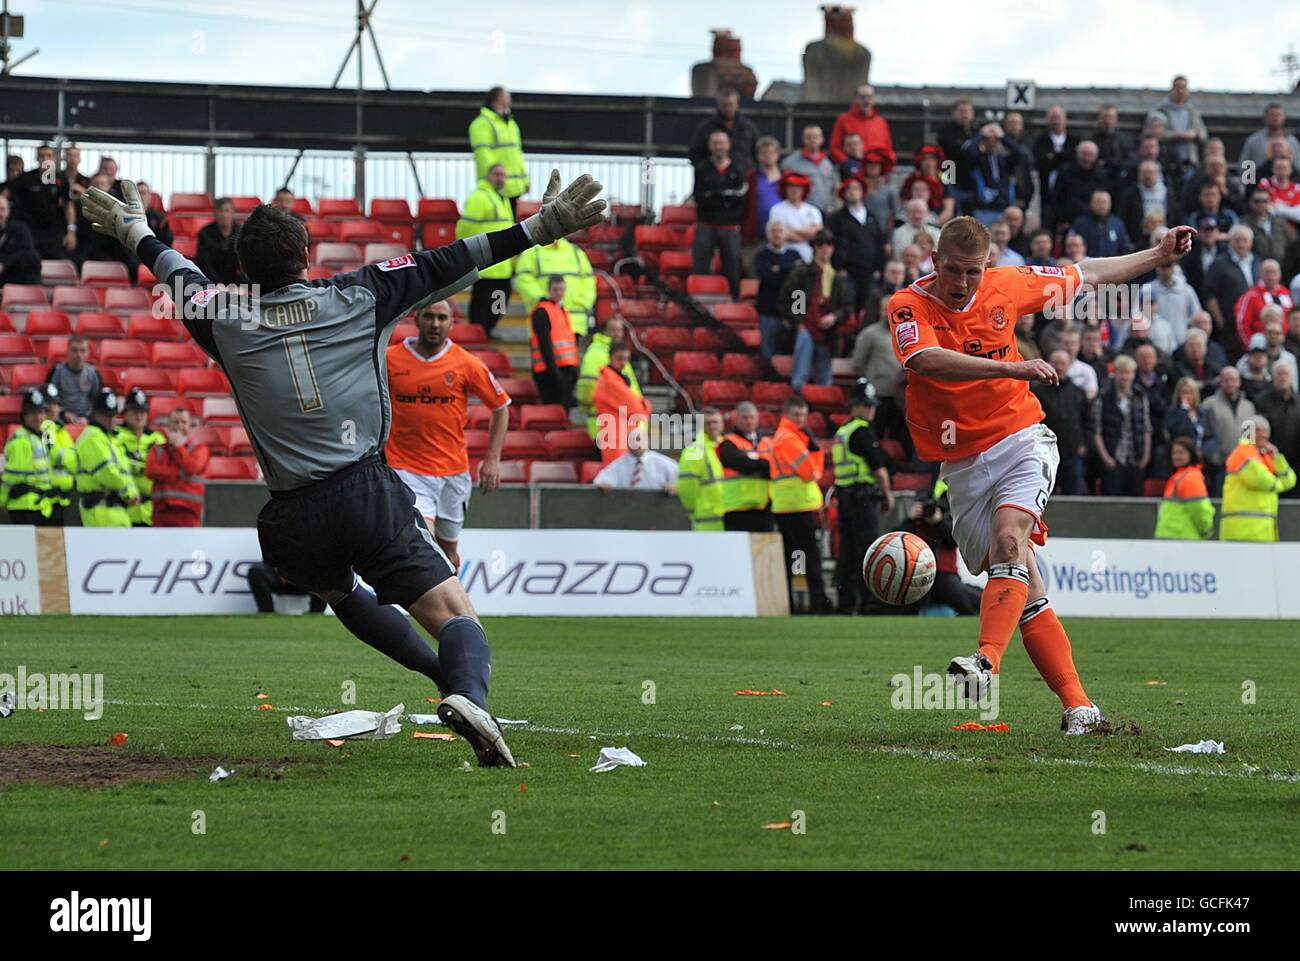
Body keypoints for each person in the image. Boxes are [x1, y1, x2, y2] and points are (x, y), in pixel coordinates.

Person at [82, 165, 605, 767]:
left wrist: (135, 234)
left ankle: (443, 680)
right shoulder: (363, 293)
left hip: (291, 516)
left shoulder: (220, 315)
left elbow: (180, 273)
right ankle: (467, 692)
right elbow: (455, 257)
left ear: (245, 268)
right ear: (307, 255)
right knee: (456, 613)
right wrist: (539, 228)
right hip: (365, 491)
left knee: (339, 590)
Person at [887, 212, 1197, 733]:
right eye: (955, 271)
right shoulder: (906, 306)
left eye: (975, 272)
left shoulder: (1008, 285)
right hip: (961, 464)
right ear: (935, 261)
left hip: (1020, 438)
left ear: (989, 265)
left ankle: (985, 661)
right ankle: (1080, 708)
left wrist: (1158, 256)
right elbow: (927, 362)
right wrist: (1013, 367)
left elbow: (1088, 273)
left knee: (1012, 539)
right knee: (1027, 586)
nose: (964, 284)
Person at [387, 299, 511, 571]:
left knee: (447, 550)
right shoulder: (390, 359)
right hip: (407, 468)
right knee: (422, 539)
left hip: (453, 472)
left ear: (451, 323)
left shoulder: (466, 363)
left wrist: (492, 459)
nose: (435, 324)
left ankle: (452, 600)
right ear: (416, 319)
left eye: (442, 318)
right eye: (429, 317)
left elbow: (501, 408)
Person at [831, 379, 894, 615]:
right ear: (856, 405)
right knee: (869, 551)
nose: (871, 410)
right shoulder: (862, 431)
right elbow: (878, 468)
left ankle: (845, 603)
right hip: (862, 498)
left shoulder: (842, 432)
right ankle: (871, 603)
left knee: (847, 552)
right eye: (867, 405)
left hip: (845, 497)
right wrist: (887, 495)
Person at [769, 394, 830, 615]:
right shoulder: (789, 439)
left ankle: (797, 604)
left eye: (803, 415)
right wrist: (817, 452)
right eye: (796, 415)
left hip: (789, 507)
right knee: (808, 559)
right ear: (786, 415)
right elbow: (810, 473)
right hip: (797, 507)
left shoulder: (790, 437)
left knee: (795, 559)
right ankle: (816, 604)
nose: (801, 419)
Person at [781, 229, 852, 391]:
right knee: (800, 376)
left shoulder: (837, 277)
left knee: (825, 380)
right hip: (807, 327)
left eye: (828, 244)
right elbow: (794, 297)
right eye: (820, 244)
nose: (824, 248)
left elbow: (846, 306)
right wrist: (799, 323)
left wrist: (834, 317)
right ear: (815, 248)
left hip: (828, 333)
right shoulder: (803, 273)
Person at [456, 162, 515, 335]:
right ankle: (478, 334)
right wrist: (469, 254)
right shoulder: (480, 197)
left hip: (502, 267)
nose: (500, 178)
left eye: (503, 175)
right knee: (481, 304)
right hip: (486, 264)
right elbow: (465, 227)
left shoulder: (501, 198)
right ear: (488, 176)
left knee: (501, 302)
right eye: (497, 174)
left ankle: (486, 331)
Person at [1220, 415, 1296, 540]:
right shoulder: (1243, 453)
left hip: (1262, 530)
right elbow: (1266, 482)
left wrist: (1277, 458)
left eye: (1264, 431)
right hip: (1243, 530)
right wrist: (1279, 483)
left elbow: (1291, 480)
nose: (1261, 435)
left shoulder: (1264, 456)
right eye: (1257, 431)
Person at [691, 129, 747, 298]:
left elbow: (740, 198)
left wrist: (715, 195)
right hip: (706, 225)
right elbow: (700, 198)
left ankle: (733, 302)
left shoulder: (738, 169)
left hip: (730, 227)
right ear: (709, 146)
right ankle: (697, 301)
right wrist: (724, 197)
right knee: (700, 266)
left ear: (728, 145)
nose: (718, 147)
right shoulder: (701, 169)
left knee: (732, 269)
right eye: (715, 143)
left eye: (721, 143)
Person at [74, 389, 138, 528]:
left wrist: (131, 493)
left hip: (116, 512)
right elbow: (108, 474)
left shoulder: (109, 439)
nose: (110, 420)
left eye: (113, 415)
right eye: (105, 415)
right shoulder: (92, 437)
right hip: (100, 511)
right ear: (95, 414)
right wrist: (128, 491)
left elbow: (124, 471)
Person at [513, 234, 596, 339]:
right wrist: (542, 300)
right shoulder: (532, 253)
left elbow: (589, 280)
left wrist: (583, 303)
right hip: (545, 319)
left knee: (571, 354)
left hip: (575, 322)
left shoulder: (576, 252)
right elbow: (523, 280)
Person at [827, 173, 886, 319]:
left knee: (869, 310)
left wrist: (879, 267)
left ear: (862, 192)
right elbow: (832, 244)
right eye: (849, 189)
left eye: (856, 188)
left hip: (870, 273)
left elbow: (880, 243)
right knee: (848, 311)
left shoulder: (872, 217)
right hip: (848, 273)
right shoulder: (837, 218)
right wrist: (838, 267)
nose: (852, 191)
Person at [1031, 350, 1090, 495]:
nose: (1059, 367)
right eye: (1055, 363)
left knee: (1073, 494)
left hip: (1072, 452)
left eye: (1063, 363)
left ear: (1069, 366)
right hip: (1045, 453)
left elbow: (1088, 420)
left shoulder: (1078, 393)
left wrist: (1084, 445)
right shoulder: (1037, 391)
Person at [576, 315, 640, 441]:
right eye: (614, 330)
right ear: (604, 331)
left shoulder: (619, 353)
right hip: (603, 422)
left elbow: (632, 388)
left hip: (622, 422)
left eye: (620, 330)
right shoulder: (596, 352)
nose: (618, 334)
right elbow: (586, 386)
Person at [146, 406, 211, 527]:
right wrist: (177, 474)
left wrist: (178, 447)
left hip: (189, 515)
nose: (179, 426)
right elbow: (151, 470)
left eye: (184, 422)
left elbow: (191, 468)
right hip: (162, 514)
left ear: (189, 426)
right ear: (168, 425)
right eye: (175, 422)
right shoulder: (158, 449)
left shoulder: (200, 449)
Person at [469, 86, 529, 213]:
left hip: (514, 187)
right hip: (496, 186)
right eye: (506, 95)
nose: (510, 98)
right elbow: (483, 154)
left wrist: (525, 180)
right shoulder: (482, 123)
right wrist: (495, 178)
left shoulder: (511, 124)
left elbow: (517, 153)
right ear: (498, 98)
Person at [1, 389, 57, 526]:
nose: (38, 418)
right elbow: (12, 477)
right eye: (33, 413)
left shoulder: (39, 437)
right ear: (24, 416)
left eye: (41, 412)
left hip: (40, 506)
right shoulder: (21, 441)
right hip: (25, 508)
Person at [716, 401, 773, 532]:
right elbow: (741, 464)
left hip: (764, 506)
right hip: (737, 508)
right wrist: (764, 464)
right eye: (745, 417)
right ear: (736, 419)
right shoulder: (728, 442)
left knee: (763, 550)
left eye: (752, 417)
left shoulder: (767, 442)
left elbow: (776, 466)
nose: (749, 421)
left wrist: (758, 465)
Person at [5, 143, 69, 260]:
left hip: (54, 232)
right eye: (42, 156)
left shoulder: (61, 179)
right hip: (30, 230)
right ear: (37, 158)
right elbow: (6, 195)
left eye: (49, 156)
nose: (45, 159)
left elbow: (68, 205)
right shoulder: (26, 178)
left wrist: (71, 230)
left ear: (54, 158)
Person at [593, 340, 651, 466]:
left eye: (626, 359)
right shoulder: (611, 381)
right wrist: (644, 403)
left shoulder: (615, 379)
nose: (623, 363)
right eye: (620, 358)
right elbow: (639, 410)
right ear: (610, 357)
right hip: (617, 441)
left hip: (621, 439)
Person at [1200, 366, 1256, 495]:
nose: (1230, 383)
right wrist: (1213, 456)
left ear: (1239, 382)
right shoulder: (1209, 405)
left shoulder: (1248, 406)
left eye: (1233, 380)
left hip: (1243, 465)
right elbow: (1205, 433)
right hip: (1219, 464)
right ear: (1221, 382)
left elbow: (1250, 437)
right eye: (1226, 380)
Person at [114, 388, 166, 526]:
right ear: (125, 413)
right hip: (122, 511)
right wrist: (145, 467)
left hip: (150, 512)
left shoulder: (157, 439)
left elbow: (163, 470)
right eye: (135, 411)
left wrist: (136, 466)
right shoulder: (115, 436)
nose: (139, 416)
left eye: (143, 411)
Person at [753, 220, 803, 362]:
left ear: (786, 234)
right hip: (769, 311)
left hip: (793, 312)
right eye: (774, 231)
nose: (777, 234)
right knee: (767, 353)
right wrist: (788, 271)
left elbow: (800, 281)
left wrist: (779, 270)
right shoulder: (761, 256)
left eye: (780, 231)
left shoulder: (795, 254)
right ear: (768, 234)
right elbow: (768, 278)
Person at [529, 275, 579, 406]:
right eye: (555, 289)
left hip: (566, 369)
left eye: (561, 289)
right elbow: (544, 343)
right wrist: (554, 371)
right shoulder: (542, 311)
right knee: (553, 407)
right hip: (549, 370)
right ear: (549, 290)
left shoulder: (562, 310)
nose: (558, 293)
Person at [687, 86, 759, 173]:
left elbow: (757, 152)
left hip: (744, 176)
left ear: (737, 105)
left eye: (731, 104)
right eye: (725, 105)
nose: (728, 108)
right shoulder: (706, 128)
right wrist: (706, 170)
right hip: (713, 179)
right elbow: (695, 153)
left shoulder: (748, 127)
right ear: (719, 105)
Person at [1154, 437, 1214, 539]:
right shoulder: (1180, 477)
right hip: (1179, 538)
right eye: (1174, 453)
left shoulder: (1189, 478)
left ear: (1191, 454)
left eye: (1181, 452)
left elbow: (1198, 510)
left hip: (1181, 538)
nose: (1177, 456)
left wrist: (1204, 530)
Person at [676, 407, 726, 530]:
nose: (712, 426)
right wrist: (695, 511)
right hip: (707, 520)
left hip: (730, 516)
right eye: (707, 423)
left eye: (715, 422)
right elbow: (687, 488)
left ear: (722, 424)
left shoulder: (729, 447)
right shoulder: (693, 451)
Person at [592, 423, 678, 491]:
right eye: (632, 440)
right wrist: (602, 485)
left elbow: (683, 479)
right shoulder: (619, 464)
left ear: (647, 440)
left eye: (639, 439)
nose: (636, 443)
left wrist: (676, 486)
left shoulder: (662, 462)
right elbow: (599, 481)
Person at [830, 84, 894, 167]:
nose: (866, 101)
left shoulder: (881, 122)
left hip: (876, 170)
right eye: (863, 97)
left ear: (874, 99)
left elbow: (888, 148)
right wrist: (847, 163)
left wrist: (888, 165)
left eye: (869, 97)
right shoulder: (843, 120)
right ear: (856, 99)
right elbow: (834, 148)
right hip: (853, 170)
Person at [38, 384, 76, 525]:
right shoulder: (45, 428)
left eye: (56, 404)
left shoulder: (62, 431)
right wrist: (67, 457)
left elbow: (75, 460)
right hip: (47, 500)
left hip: (65, 498)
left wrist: (65, 457)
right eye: (49, 403)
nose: (54, 408)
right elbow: (53, 455)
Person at [1255, 362, 1300, 475]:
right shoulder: (1260, 401)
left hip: (1297, 461)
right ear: (1273, 377)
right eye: (1279, 374)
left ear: (1292, 377)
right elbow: (1250, 431)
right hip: (1270, 461)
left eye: (1286, 374)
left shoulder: (1299, 401)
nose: (1283, 378)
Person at [766, 171, 822, 263]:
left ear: (804, 190)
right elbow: (779, 234)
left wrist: (792, 230)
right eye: (791, 187)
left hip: (808, 253)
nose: (795, 190)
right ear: (785, 189)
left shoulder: (813, 210)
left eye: (798, 187)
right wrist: (807, 234)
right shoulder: (776, 209)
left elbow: (818, 232)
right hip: (785, 253)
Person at [45, 335, 103, 422]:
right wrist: (63, 413)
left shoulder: (93, 374)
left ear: (88, 353)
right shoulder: (57, 372)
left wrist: (88, 418)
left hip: (86, 421)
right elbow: (48, 400)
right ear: (68, 351)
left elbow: (99, 402)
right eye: (75, 350)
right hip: (61, 419)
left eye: (82, 351)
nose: (78, 355)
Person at [780, 125, 836, 214]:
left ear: (822, 139)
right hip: (801, 213)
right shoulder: (790, 163)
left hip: (826, 212)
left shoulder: (827, 163)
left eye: (816, 137)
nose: (813, 140)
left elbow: (833, 188)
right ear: (803, 140)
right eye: (809, 137)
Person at [1239, 103, 1300, 178]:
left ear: (1284, 118)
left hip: (1288, 187)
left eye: (1278, 115)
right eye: (1272, 115)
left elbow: (1298, 167)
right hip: (1260, 186)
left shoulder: (1292, 142)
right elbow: (1245, 169)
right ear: (1265, 118)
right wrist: (1251, 188)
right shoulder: (1253, 141)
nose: (1275, 118)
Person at [247, 560, 327, 614]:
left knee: (324, 573)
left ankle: (317, 615)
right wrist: (281, 572)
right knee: (256, 572)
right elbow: (270, 556)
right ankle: (266, 613)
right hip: (278, 577)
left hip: (305, 579)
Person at [196, 197, 241, 284]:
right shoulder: (205, 233)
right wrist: (217, 283)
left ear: (233, 213)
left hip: (238, 284)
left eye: (227, 211)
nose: (223, 214)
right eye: (220, 211)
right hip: (212, 282)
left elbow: (245, 265)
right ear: (215, 213)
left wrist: (241, 285)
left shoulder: (242, 233)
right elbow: (204, 263)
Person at [0, 193, 41, 286]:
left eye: (2, 209)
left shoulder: (20, 229)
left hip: (16, 276)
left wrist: (4, 264)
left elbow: (28, 254)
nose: (0, 214)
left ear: (8, 211)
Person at [1164, 377, 1206, 455]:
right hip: (1181, 453)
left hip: (1200, 453)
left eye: (1190, 392)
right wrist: (1184, 411)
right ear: (1178, 394)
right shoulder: (1173, 412)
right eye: (1184, 392)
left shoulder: (1200, 411)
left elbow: (1206, 433)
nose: (1188, 396)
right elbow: (1178, 431)